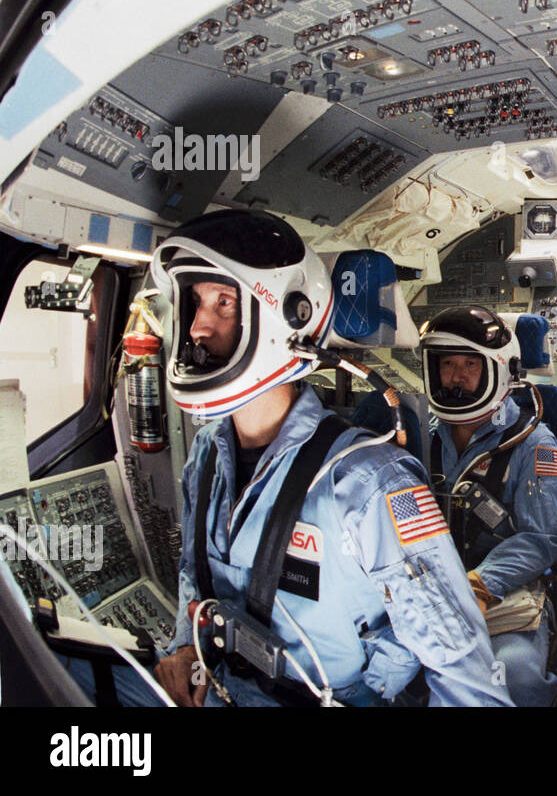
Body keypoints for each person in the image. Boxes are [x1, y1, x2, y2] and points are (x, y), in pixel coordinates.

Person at [82, 209, 511, 706]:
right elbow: (192, 572)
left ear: (290, 316)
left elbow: (459, 663)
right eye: (194, 303)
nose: (198, 327)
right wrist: (185, 647)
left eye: (224, 302)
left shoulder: (369, 481)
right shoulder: (205, 453)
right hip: (219, 682)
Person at [420, 305, 557, 708]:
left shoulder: (533, 444)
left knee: (515, 676)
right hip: (427, 592)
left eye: (470, 364)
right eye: (447, 364)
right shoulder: (419, 438)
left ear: (500, 368)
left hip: (507, 593)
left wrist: (482, 583)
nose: (456, 376)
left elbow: (545, 538)